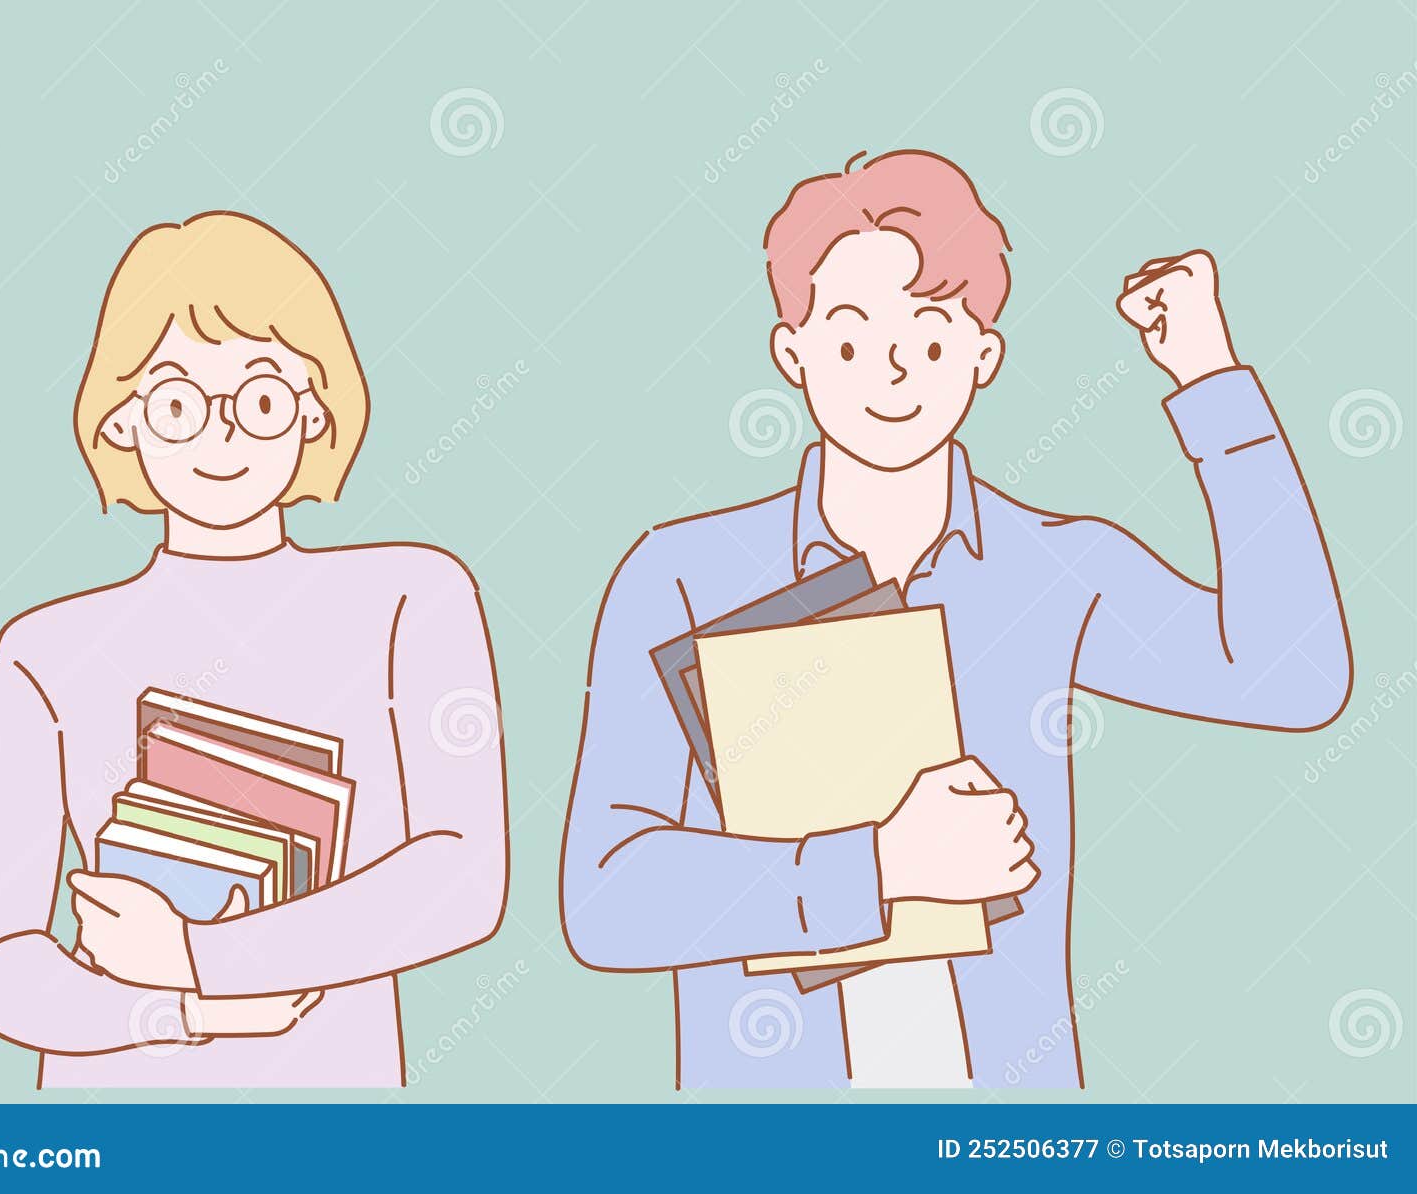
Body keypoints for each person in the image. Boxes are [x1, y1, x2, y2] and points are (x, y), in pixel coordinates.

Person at [559, 150, 1350, 1088]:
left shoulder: (1055, 569)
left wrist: (1209, 379)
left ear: (984, 355)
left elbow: (1292, 675)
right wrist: (878, 866)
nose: (891, 370)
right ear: (792, 354)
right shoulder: (684, 579)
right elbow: (606, 896)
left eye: (930, 335)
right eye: (849, 339)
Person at [0, 212, 508, 1087]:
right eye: (176, 403)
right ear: (121, 422)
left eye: (260, 398)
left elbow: (462, 879)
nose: (222, 437)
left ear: (316, 409)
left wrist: (202, 954)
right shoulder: (44, 653)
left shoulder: (412, 597)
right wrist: (179, 1014)